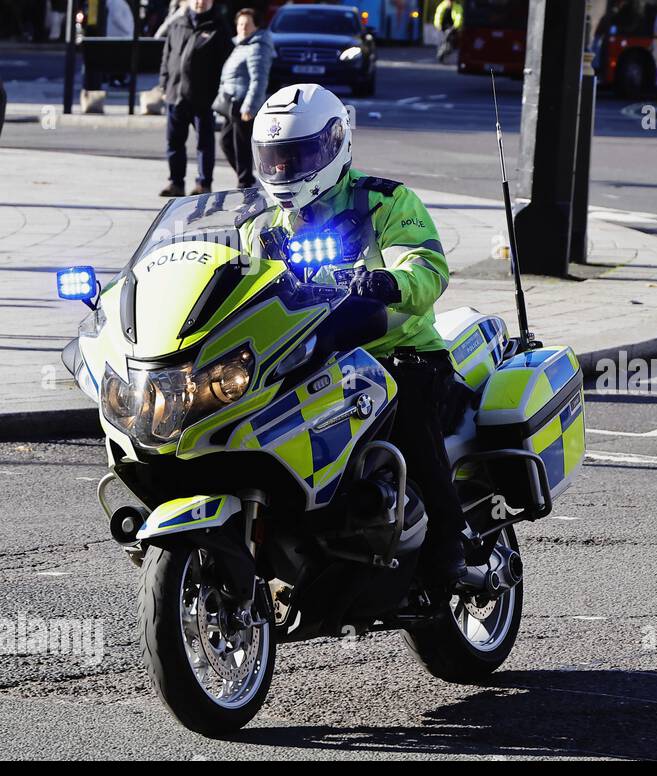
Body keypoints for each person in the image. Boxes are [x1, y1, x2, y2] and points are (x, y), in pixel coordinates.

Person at [249, 83, 479, 593]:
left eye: (299, 156)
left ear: (334, 146)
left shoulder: (387, 201)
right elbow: (235, 284)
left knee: (409, 407)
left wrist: (390, 281)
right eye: (276, 160)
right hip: (310, 356)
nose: (285, 172)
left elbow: (428, 267)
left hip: (399, 352)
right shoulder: (261, 225)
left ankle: (449, 545)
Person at [158, 0, 232, 196]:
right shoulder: (178, 23)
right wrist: (164, 84)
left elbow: (225, 63)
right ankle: (176, 182)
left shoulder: (218, 27)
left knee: (204, 144)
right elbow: (167, 55)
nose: (200, 3)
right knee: (174, 142)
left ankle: (203, 183)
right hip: (175, 95)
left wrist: (217, 93)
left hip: (203, 98)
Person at [217, 8, 273, 189]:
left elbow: (259, 79)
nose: (243, 28)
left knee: (241, 146)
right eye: (240, 24)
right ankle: (247, 179)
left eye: (247, 24)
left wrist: (250, 107)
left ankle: (245, 183)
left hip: (242, 104)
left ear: (256, 26)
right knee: (226, 142)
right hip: (231, 102)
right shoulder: (241, 44)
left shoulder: (257, 47)